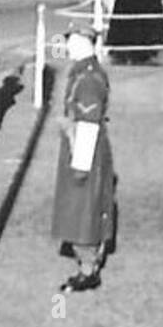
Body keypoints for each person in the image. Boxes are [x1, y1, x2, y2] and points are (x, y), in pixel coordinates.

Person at [51, 28, 117, 291]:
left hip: (84, 148)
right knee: (83, 206)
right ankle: (88, 259)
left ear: (81, 43)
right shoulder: (84, 71)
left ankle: (88, 269)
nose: (68, 47)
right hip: (78, 143)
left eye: (71, 42)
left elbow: (88, 124)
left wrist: (80, 166)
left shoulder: (88, 79)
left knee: (83, 208)